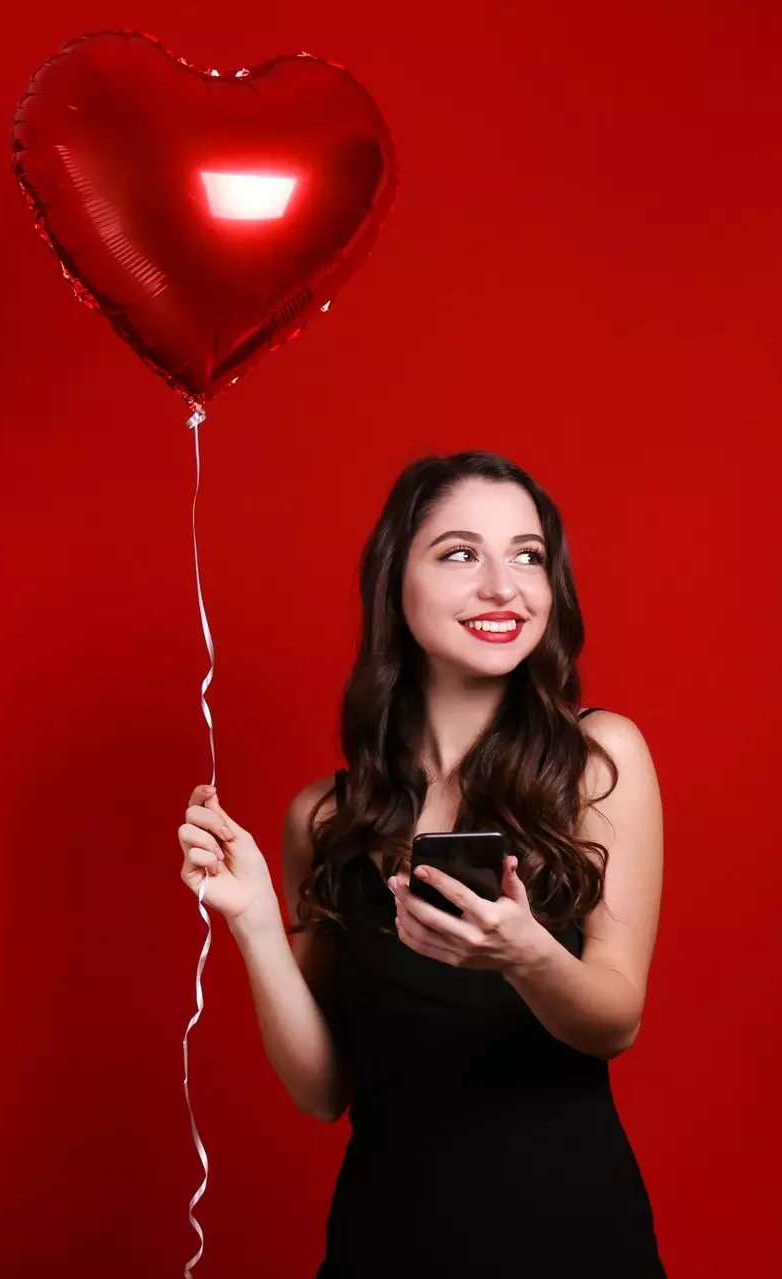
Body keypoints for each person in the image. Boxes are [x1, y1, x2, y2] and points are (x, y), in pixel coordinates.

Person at [174, 451, 666, 1276]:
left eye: (529, 555)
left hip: (569, 1236)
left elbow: (615, 1018)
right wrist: (255, 917)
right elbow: (323, 1090)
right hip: (387, 1239)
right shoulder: (324, 817)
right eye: (461, 552)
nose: (505, 587)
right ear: (394, 584)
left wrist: (522, 953)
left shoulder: (599, 758)